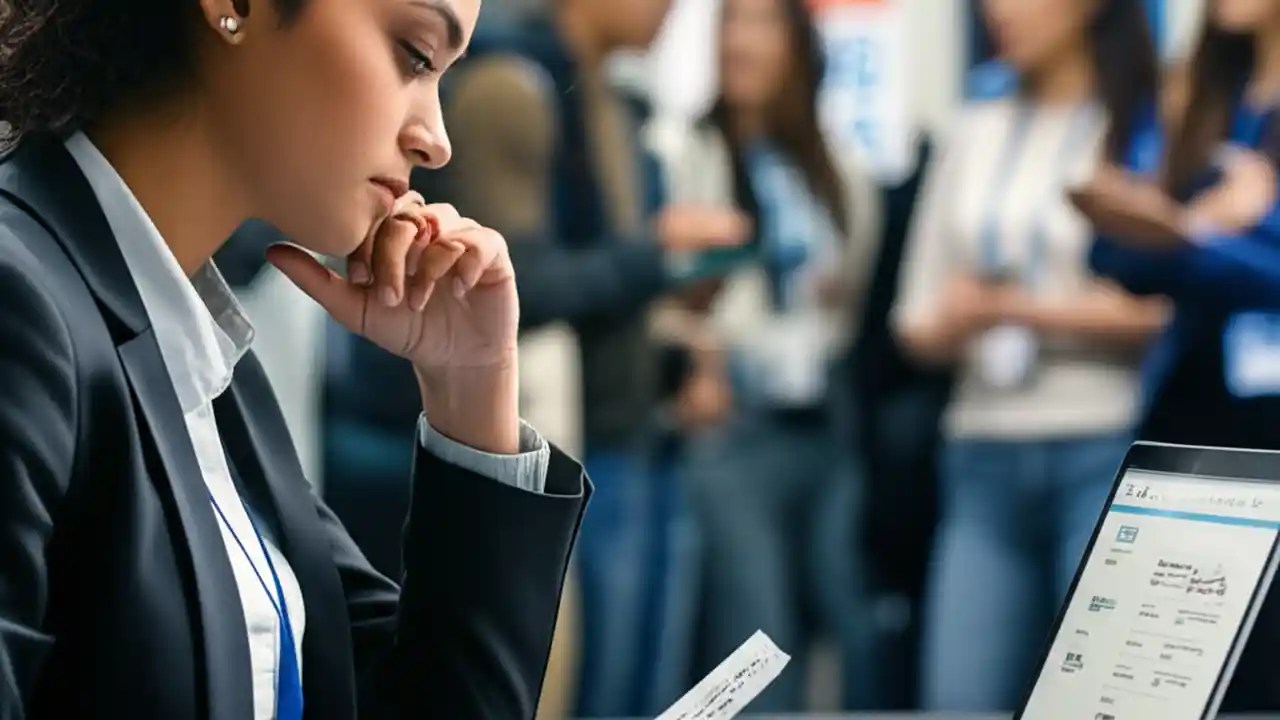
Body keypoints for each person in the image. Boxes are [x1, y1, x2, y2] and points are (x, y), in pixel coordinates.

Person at [0, 0, 588, 718]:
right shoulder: (22, 304)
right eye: (415, 54)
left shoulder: (209, 368)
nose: (436, 141)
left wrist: (472, 392)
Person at [403, 1, 751, 715]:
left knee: (642, 688)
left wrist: (677, 294)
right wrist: (655, 255)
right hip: (566, 440)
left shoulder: (615, 103)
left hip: (640, 426)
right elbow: (512, 284)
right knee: (581, 688)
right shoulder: (510, 88)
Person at [891, 0, 1167, 710]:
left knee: (1099, 701)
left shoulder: (1141, 125)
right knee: (960, 696)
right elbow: (913, 320)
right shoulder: (974, 127)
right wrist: (961, 320)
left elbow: (1160, 311)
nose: (1000, 11)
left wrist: (1014, 310)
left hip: (1102, 445)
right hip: (981, 449)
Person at [653, 0, 881, 709]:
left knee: (852, 629)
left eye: (763, 23)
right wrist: (696, 347)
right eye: (731, 23)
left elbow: (850, 295)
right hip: (732, 418)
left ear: (798, 44)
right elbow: (653, 295)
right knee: (756, 640)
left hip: (822, 421)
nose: (742, 41)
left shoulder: (836, 169)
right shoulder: (680, 151)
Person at [1075, 0, 1280, 709]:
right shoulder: (1192, 98)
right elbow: (1111, 250)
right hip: (1192, 421)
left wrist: (1186, 238)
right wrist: (1216, 226)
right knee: (1172, 675)